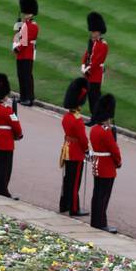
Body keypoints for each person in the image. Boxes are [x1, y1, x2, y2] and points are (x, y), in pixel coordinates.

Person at [88, 94, 121, 233]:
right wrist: (118, 162)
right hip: (107, 166)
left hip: (97, 164)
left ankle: (95, 220)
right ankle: (101, 222)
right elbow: (114, 150)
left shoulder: (94, 129)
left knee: (97, 194)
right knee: (104, 196)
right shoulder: (105, 132)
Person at [0, 72, 22, 198]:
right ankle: (3, 189)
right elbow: (16, 126)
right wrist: (19, 135)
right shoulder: (7, 110)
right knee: (5, 166)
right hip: (6, 140)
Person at [59, 77, 89, 217]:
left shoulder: (66, 117)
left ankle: (64, 203)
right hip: (76, 152)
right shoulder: (77, 120)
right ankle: (74, 208)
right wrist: (87, 150)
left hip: (67, 149)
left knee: (67, 179)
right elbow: (83, 139)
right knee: (75, 181)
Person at [13, 0, 39, 105]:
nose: (25, 15)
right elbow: (17, 35)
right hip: (21, 53)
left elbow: (26, 40)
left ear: (31, 14)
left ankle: (29, 97)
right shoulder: (23, 24)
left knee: (27, 75)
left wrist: (18, 48)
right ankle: (23, 96)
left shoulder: (33, 25)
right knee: (20, 75)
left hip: (27, 53)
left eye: (27, 13)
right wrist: (15, 43)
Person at [81, 11, 107, 115]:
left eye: (94, 31)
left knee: (95, 97)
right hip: (89, 74)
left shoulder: (103, 45)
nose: (92, 33)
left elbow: (97, 61)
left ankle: (96, 117)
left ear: (99, 32)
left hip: (96, 74)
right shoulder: (93, 43)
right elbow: (87, 55)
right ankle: (94, 117)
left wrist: (88, 69)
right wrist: (83, 65)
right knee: (91, 97)